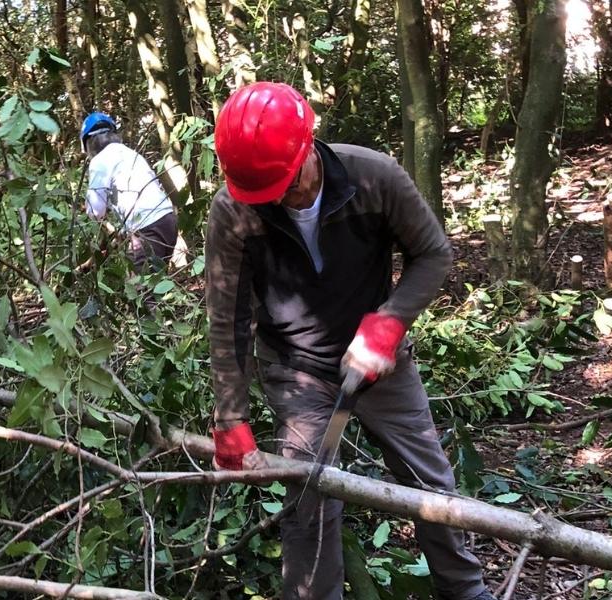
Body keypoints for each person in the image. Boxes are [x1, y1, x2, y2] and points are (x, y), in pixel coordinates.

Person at [205, 82, 494, 600]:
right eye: (266, 192)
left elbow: (433, 254)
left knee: (431, 486)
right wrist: (231, 415)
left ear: (309, 145)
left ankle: (466, 592)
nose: (281, 198)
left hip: (381, 363)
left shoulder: (373, 176)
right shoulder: (234, 211)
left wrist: (389, 323)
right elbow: (228, 317)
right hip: (296, 368)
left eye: (287, 184)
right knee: (310, 500)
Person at [80, 112, 179, 273]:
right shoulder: (130, 153)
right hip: (167, 219)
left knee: (143, 291)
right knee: (157, 284)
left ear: (89, 143)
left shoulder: (99, 161)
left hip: (147, 227)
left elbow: (96, 211)